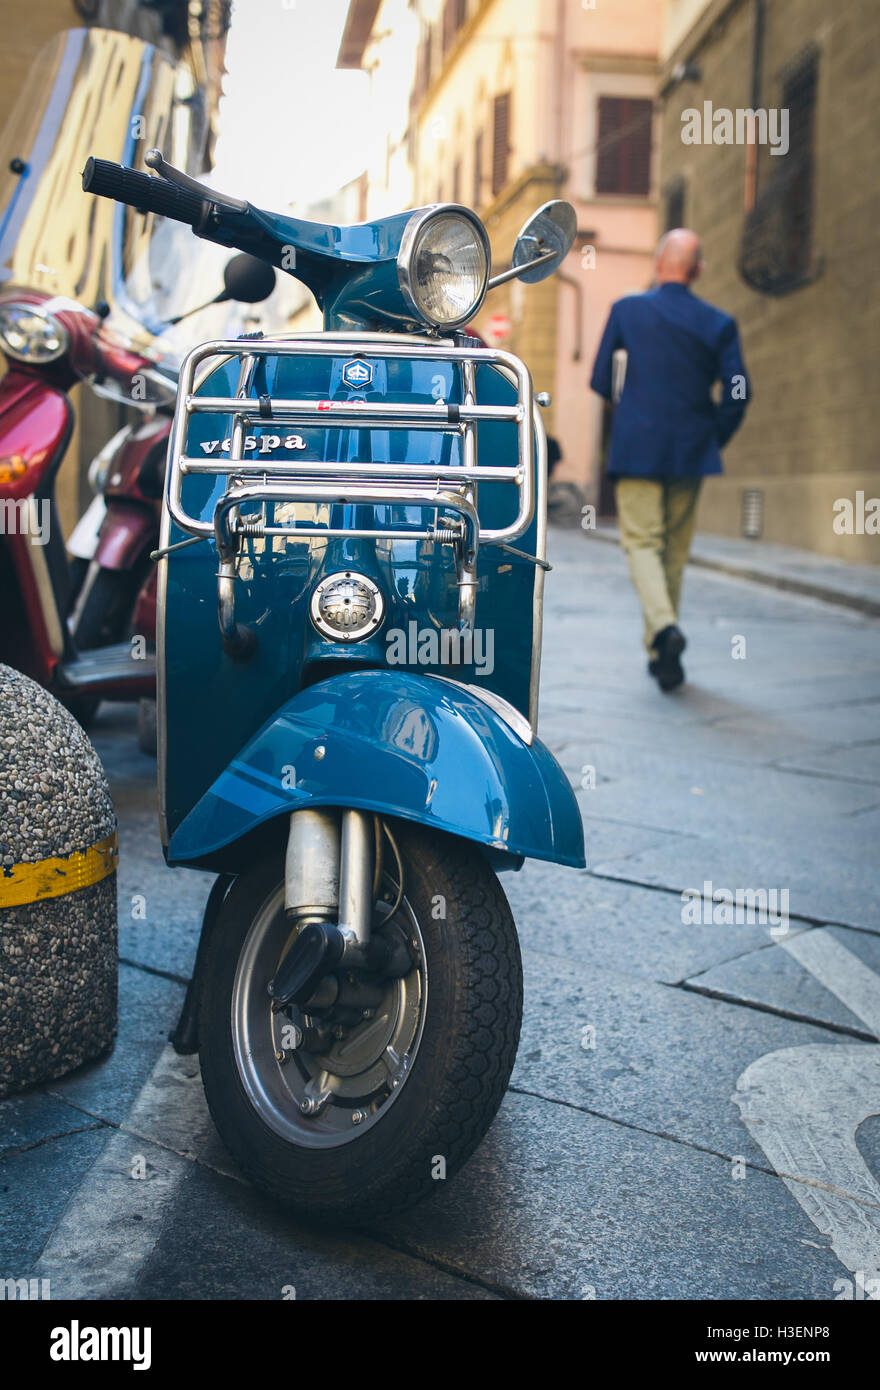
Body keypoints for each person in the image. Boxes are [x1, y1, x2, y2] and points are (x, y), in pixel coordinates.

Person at [590, 229, 750, 690]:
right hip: (692, 449)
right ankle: (664, 657)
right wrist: (712, 434)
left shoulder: (627, 310)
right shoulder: (719, 322)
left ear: (659, 264)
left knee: (642, 544)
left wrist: (634, 406)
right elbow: (740, 391)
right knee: (673, 553)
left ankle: (664, 630)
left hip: (638, 446)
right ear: (698, 270)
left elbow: (601, 380)